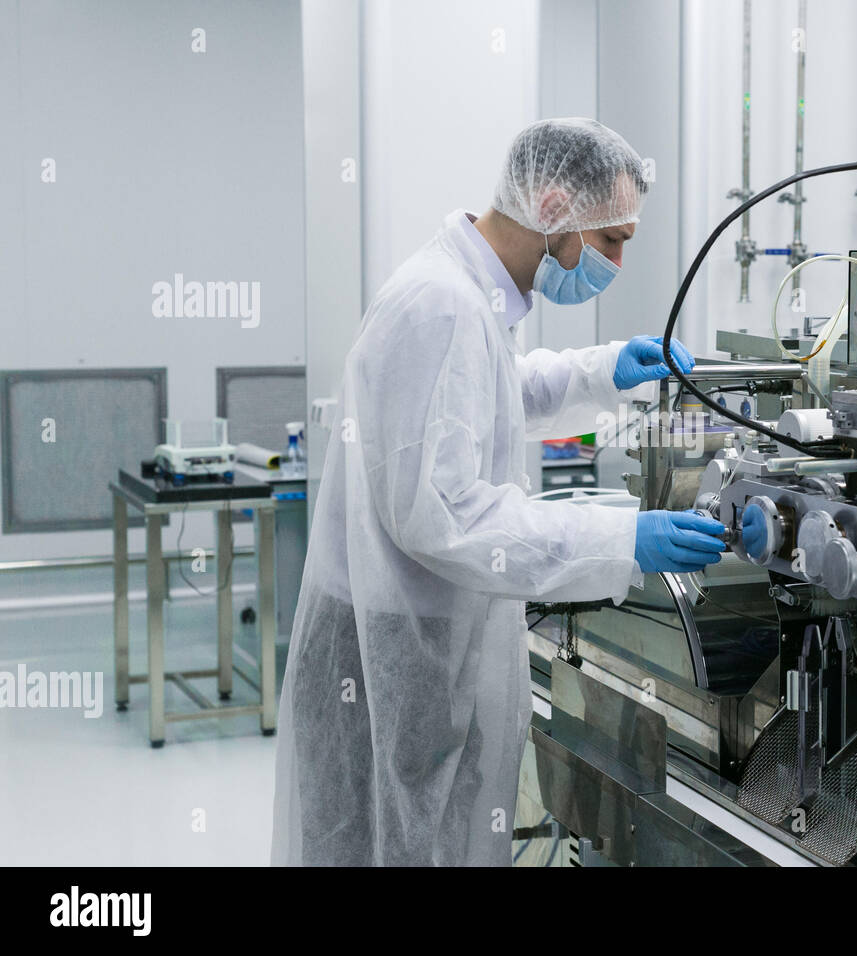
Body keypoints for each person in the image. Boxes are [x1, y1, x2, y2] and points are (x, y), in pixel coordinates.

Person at [271, 118, 727, 866]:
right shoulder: (440, 306)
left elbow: (488, 396)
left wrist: (602, 370)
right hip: (391, 647)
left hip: (413, 628)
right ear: (552, 209)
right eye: (611, 240)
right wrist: (621, 539)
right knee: (391, 845)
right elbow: (445, 515)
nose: (615, 263)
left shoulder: (464, 295)